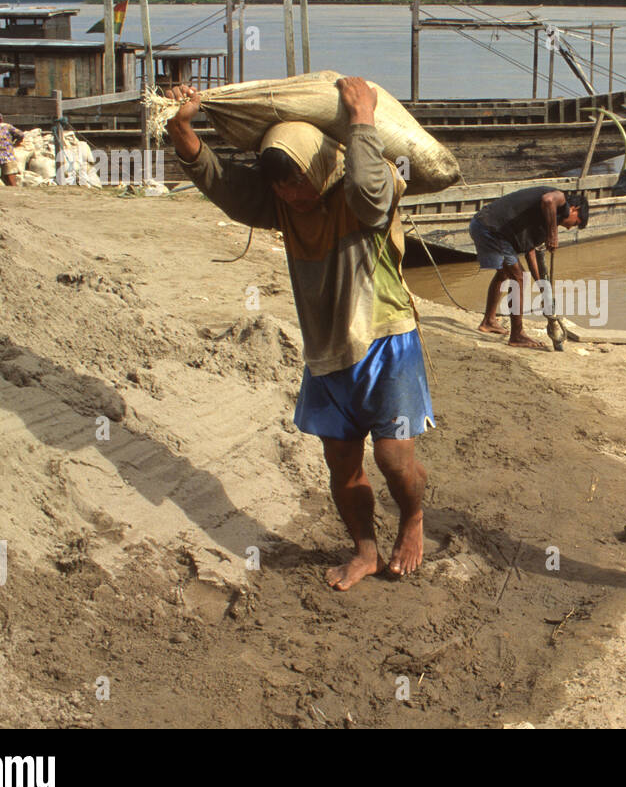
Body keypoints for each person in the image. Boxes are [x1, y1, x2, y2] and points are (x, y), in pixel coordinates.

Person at [164, 78, 432, 592]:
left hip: (386, 341)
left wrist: (360, 120)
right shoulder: (281, 206)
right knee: (342, 463)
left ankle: (413, 518)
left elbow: (374, 193)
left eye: (297, 183)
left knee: (393, 459)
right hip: (327, 352)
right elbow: (219, 181)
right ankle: (365, 550)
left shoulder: (362, 197)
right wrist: (181, 126)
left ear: (321, 169)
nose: (290, 194)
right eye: (280, 187)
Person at [469, 185, 589, 349]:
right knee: (519, 278)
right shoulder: (559, 198)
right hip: (490, 229)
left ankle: (488, 321)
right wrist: (553, 235)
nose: (569, 227)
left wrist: (543, 288)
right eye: (575, 223)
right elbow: (548, 200)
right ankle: (517, 335)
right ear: (575, 209)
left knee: (505, 274)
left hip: (483, 225)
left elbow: (530, 253)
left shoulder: (544, 221)